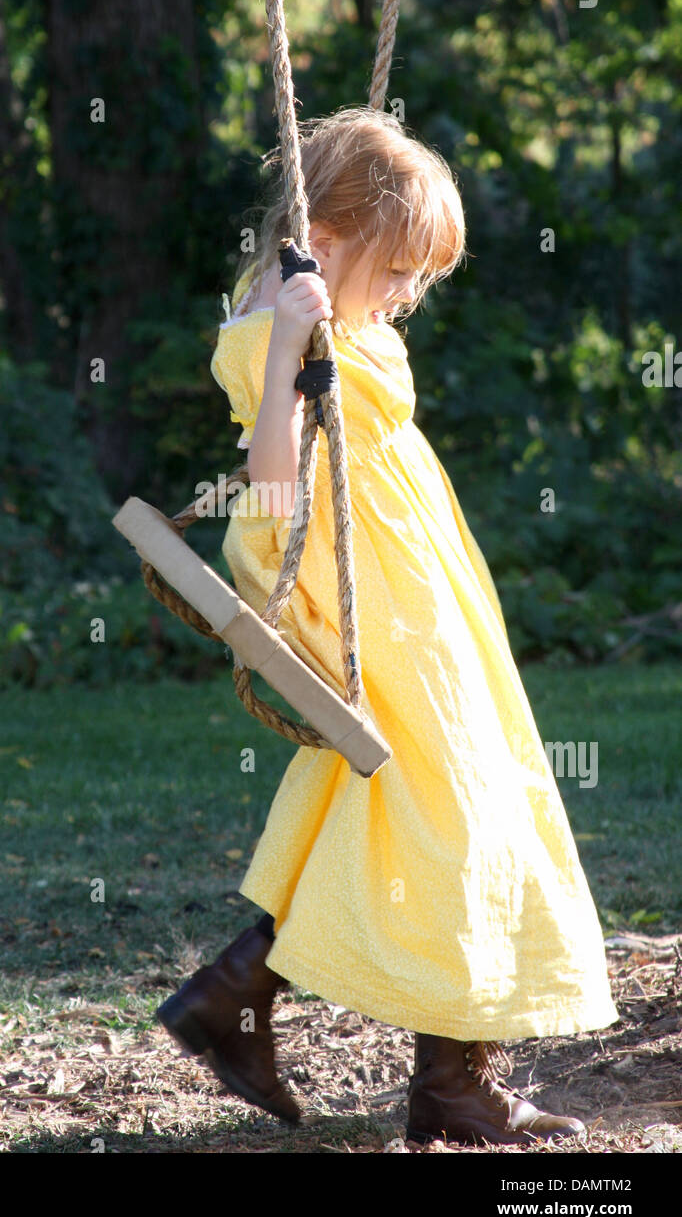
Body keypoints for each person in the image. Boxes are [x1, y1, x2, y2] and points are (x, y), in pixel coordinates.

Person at [156, 105, 618, 1145]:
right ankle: (447, 1083)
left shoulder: (334, 311)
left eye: (421, 276)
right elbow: (272, 491)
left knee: (416, 790)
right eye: (399, 269)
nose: (408, 293)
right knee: (456, 799)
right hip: (339, 570)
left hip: (408, 573)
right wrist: (284, 345)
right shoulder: (276, 318)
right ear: (328, 239)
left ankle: (239, 995)